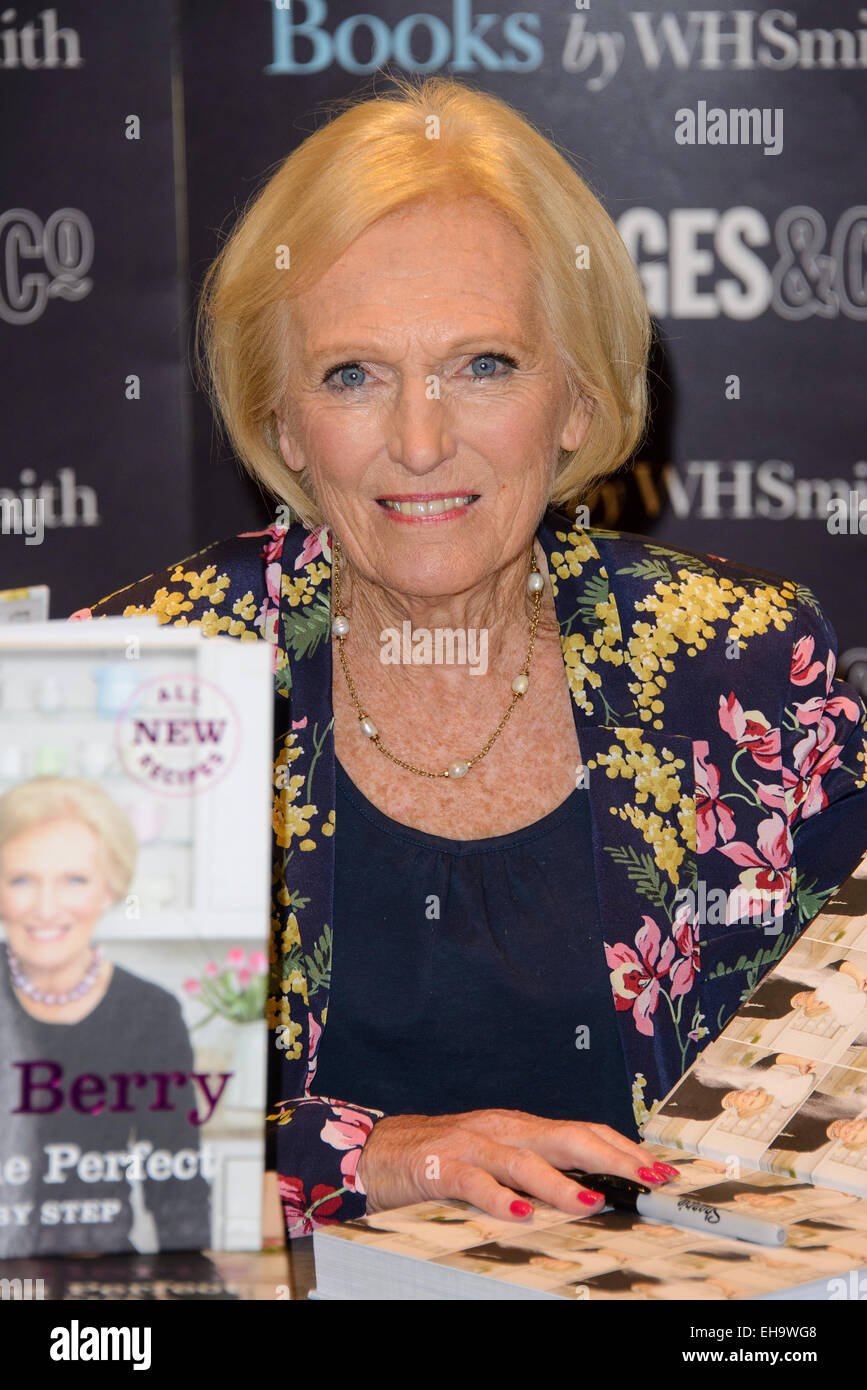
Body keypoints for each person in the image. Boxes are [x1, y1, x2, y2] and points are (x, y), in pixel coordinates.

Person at [70, 74, 867, 1239]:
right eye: (353, 374)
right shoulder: (144, 679)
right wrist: (370, 1156)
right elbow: (70, 1126)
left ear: (577, 402)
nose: (421, 439)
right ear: (285, 421)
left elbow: (838, 1072)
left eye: (484, 364)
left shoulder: (740, 663)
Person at [0, 776, 211, 1254]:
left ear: (110, 888)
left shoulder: (150, 1012)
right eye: (22, 880)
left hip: (99, 1270)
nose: (46, 908)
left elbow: (177, 1184)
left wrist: (194, 1282)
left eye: (74, 880)